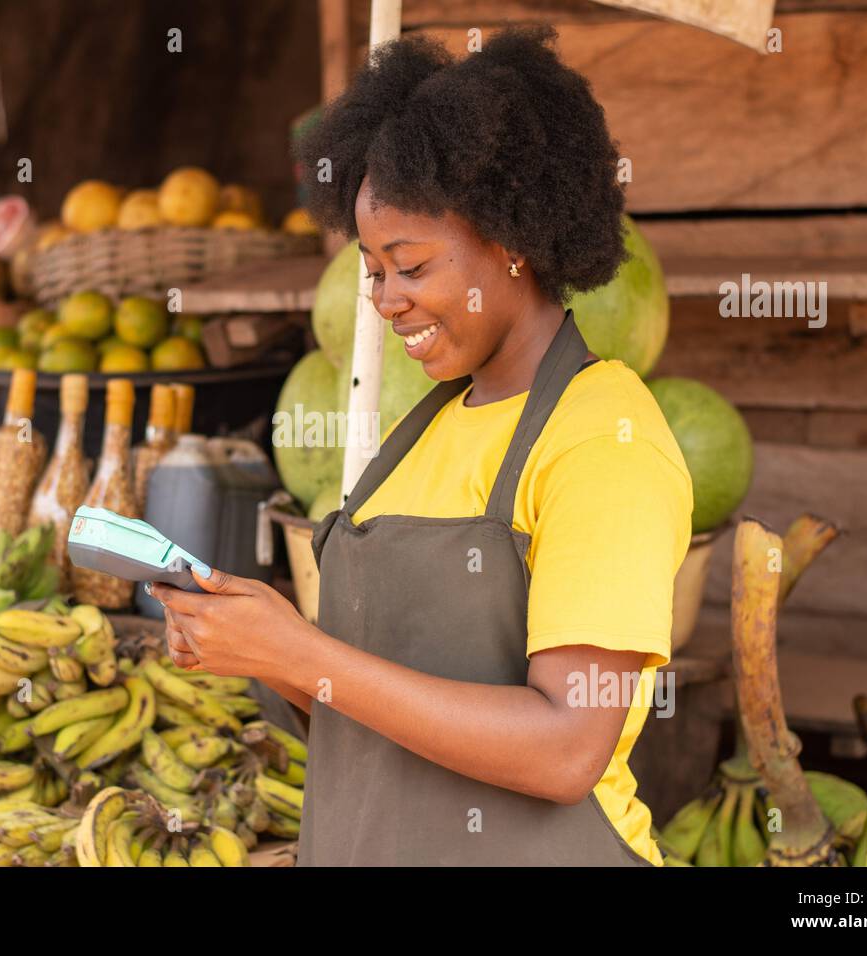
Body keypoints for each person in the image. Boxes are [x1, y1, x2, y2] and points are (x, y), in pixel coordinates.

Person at [149, 26, 693, 866]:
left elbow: (564, 749)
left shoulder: (603, 441)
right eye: (372, 270)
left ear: (514, 243)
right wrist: (270, 652)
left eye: (410, 266)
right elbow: (370, 715)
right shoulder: (422, 433)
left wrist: (307, 651)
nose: (386, 300)